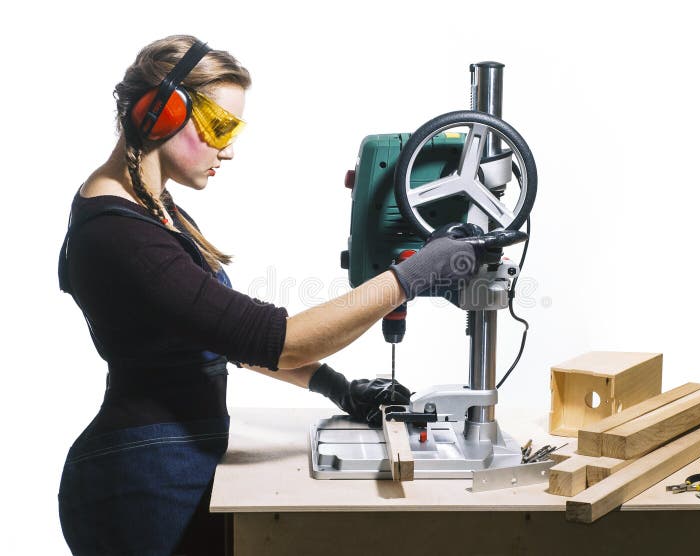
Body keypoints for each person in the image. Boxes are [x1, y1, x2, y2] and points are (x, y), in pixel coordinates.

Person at [56, 35, 480, 555]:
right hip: (138, 484)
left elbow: (225, 337)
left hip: (166, 464)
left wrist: (338, 388)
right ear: (160, 113)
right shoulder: (119, 233)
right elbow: (275, 340)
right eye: (219, 126)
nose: (228, 149)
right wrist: (409, 277)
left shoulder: (148, 206)